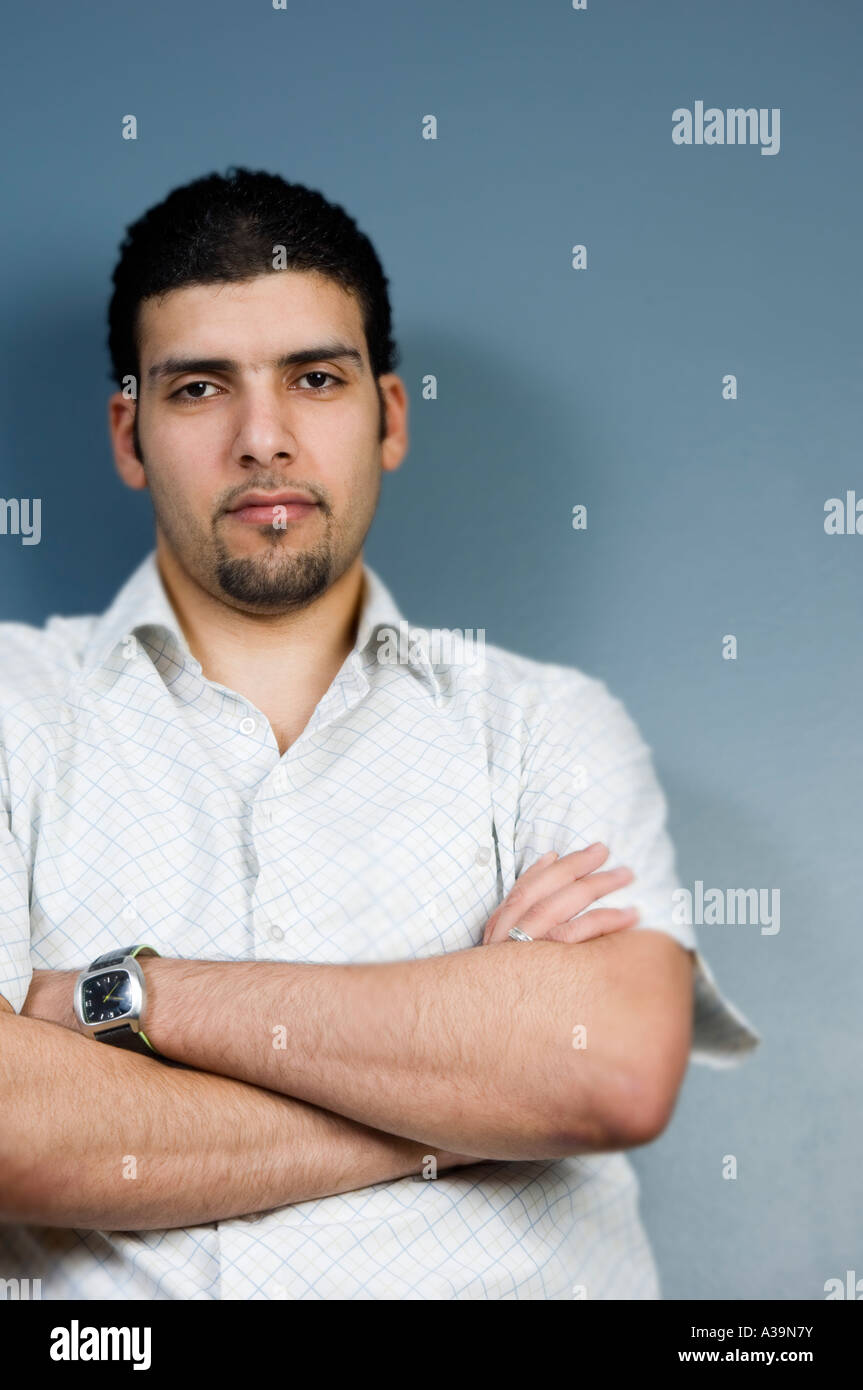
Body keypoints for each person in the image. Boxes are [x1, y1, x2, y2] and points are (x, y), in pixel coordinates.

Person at [0, 167, 760, 1300]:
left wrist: (130, 1000)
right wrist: (472, 1098)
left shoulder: (547, 723)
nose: (264, 438)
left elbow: (610, 1070)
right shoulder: (14, 706)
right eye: (201, 387)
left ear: (388, 415)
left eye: (315, 377)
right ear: (129, 433)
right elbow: (12, 1129)